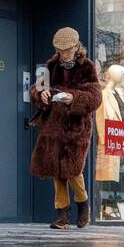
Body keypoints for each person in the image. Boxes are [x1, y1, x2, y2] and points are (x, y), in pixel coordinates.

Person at [29, 27, 103, 230]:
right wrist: (41, 93)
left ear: (76, 47)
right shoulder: (51, 65)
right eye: (60, 51)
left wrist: (74, 98)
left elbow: (96, 96)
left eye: (67, 50)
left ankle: (82, 204)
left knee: (73, 169)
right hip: (53, 125)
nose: (63, 54)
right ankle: (62, 214)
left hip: (76, 126)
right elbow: (37, 86)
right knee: (55, 170)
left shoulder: (86, 67)